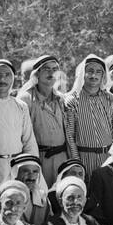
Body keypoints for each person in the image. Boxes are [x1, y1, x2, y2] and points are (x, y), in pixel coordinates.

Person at [0, 59, 38, 198]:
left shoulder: (20, 106)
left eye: (7, 75)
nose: (3, 79)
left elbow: (28, 141)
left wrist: (31, 168)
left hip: (17, 168)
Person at [63, 55, 113, 171]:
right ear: (83, 74)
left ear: (103, 76)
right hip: (84, 159)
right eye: (90, 71)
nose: (94, 76)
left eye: (98, 72)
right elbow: (70, 137)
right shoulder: (72, 101)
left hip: (109, 158)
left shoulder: (111, 100)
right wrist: (77, 164)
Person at [17, 54, 69, 184]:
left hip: (62, 158)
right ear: (37, 73)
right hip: (38, 159)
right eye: (47, 69)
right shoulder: (25, 99)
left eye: (55, 69)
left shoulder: (62, 99)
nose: (51, 73)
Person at [10, 154, 50, 225]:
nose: (31, 176)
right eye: (26, 171)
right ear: (15, 173)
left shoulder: (43, 199)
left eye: (35, 171)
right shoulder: (6, 199)